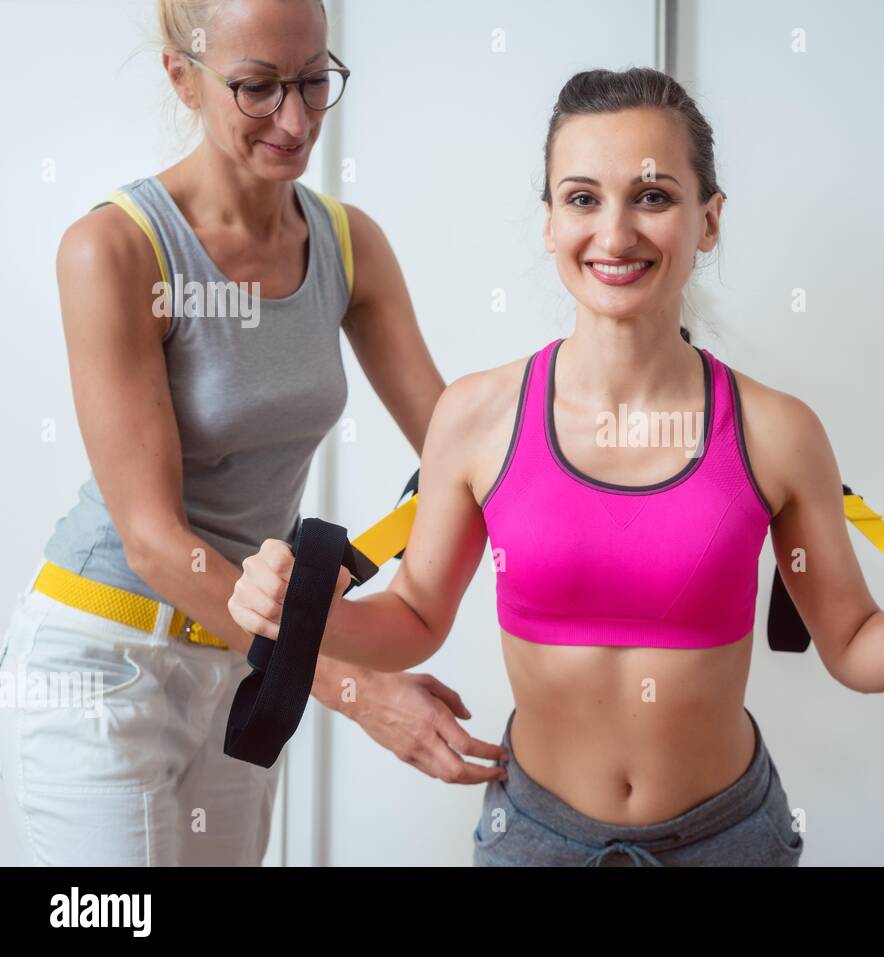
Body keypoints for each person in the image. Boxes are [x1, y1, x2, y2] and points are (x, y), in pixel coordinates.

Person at [229, 67, 884, 866]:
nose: (614, 234)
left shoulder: (779, 431)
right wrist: (304, 611)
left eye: (652, 197)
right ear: (547, 222)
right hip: (537, 837)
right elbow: (416, 619)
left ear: (709, 221)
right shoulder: (474, 417)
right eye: (581, 198)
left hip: (730, 839)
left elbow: (849, 641)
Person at [0, 0, 505, 867]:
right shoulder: (116, 251)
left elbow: (459, 451)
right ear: (180, 74)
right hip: (103, 660)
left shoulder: (349, 244)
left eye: (313, 80)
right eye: (257, 88)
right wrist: (357, 688)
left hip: (242, 666)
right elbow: (157, 542)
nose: (296, 119)